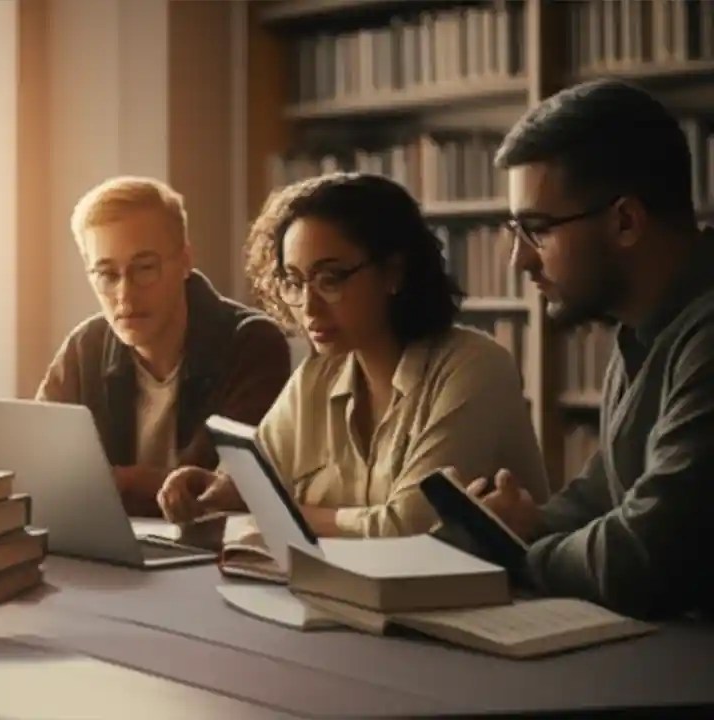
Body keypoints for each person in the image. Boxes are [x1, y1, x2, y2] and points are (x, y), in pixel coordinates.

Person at [158, 173, 550, 537]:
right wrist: (215, 489)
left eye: (330, 279)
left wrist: (274, 512)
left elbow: (407, 527)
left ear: (394, 272)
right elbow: (251, 485)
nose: (308, 307)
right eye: (293, 282)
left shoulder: (475, 368)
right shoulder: (318, 375)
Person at [465, 79, 714, 619]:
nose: (519, 262)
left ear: (626, 220)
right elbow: (605, 492)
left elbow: (644, 557)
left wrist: (523, 554)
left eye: (537, 230)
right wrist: (527, 523)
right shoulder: (643, 326)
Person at [37, 176, 292, 517]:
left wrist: (118, 483)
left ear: (185, 261)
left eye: (144, 268)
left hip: (214, 553)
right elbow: (44, 473)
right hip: (111, 550)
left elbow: (221, 491)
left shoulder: (252, 343)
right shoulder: (86, 347)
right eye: (107, 275)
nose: (125, 295)